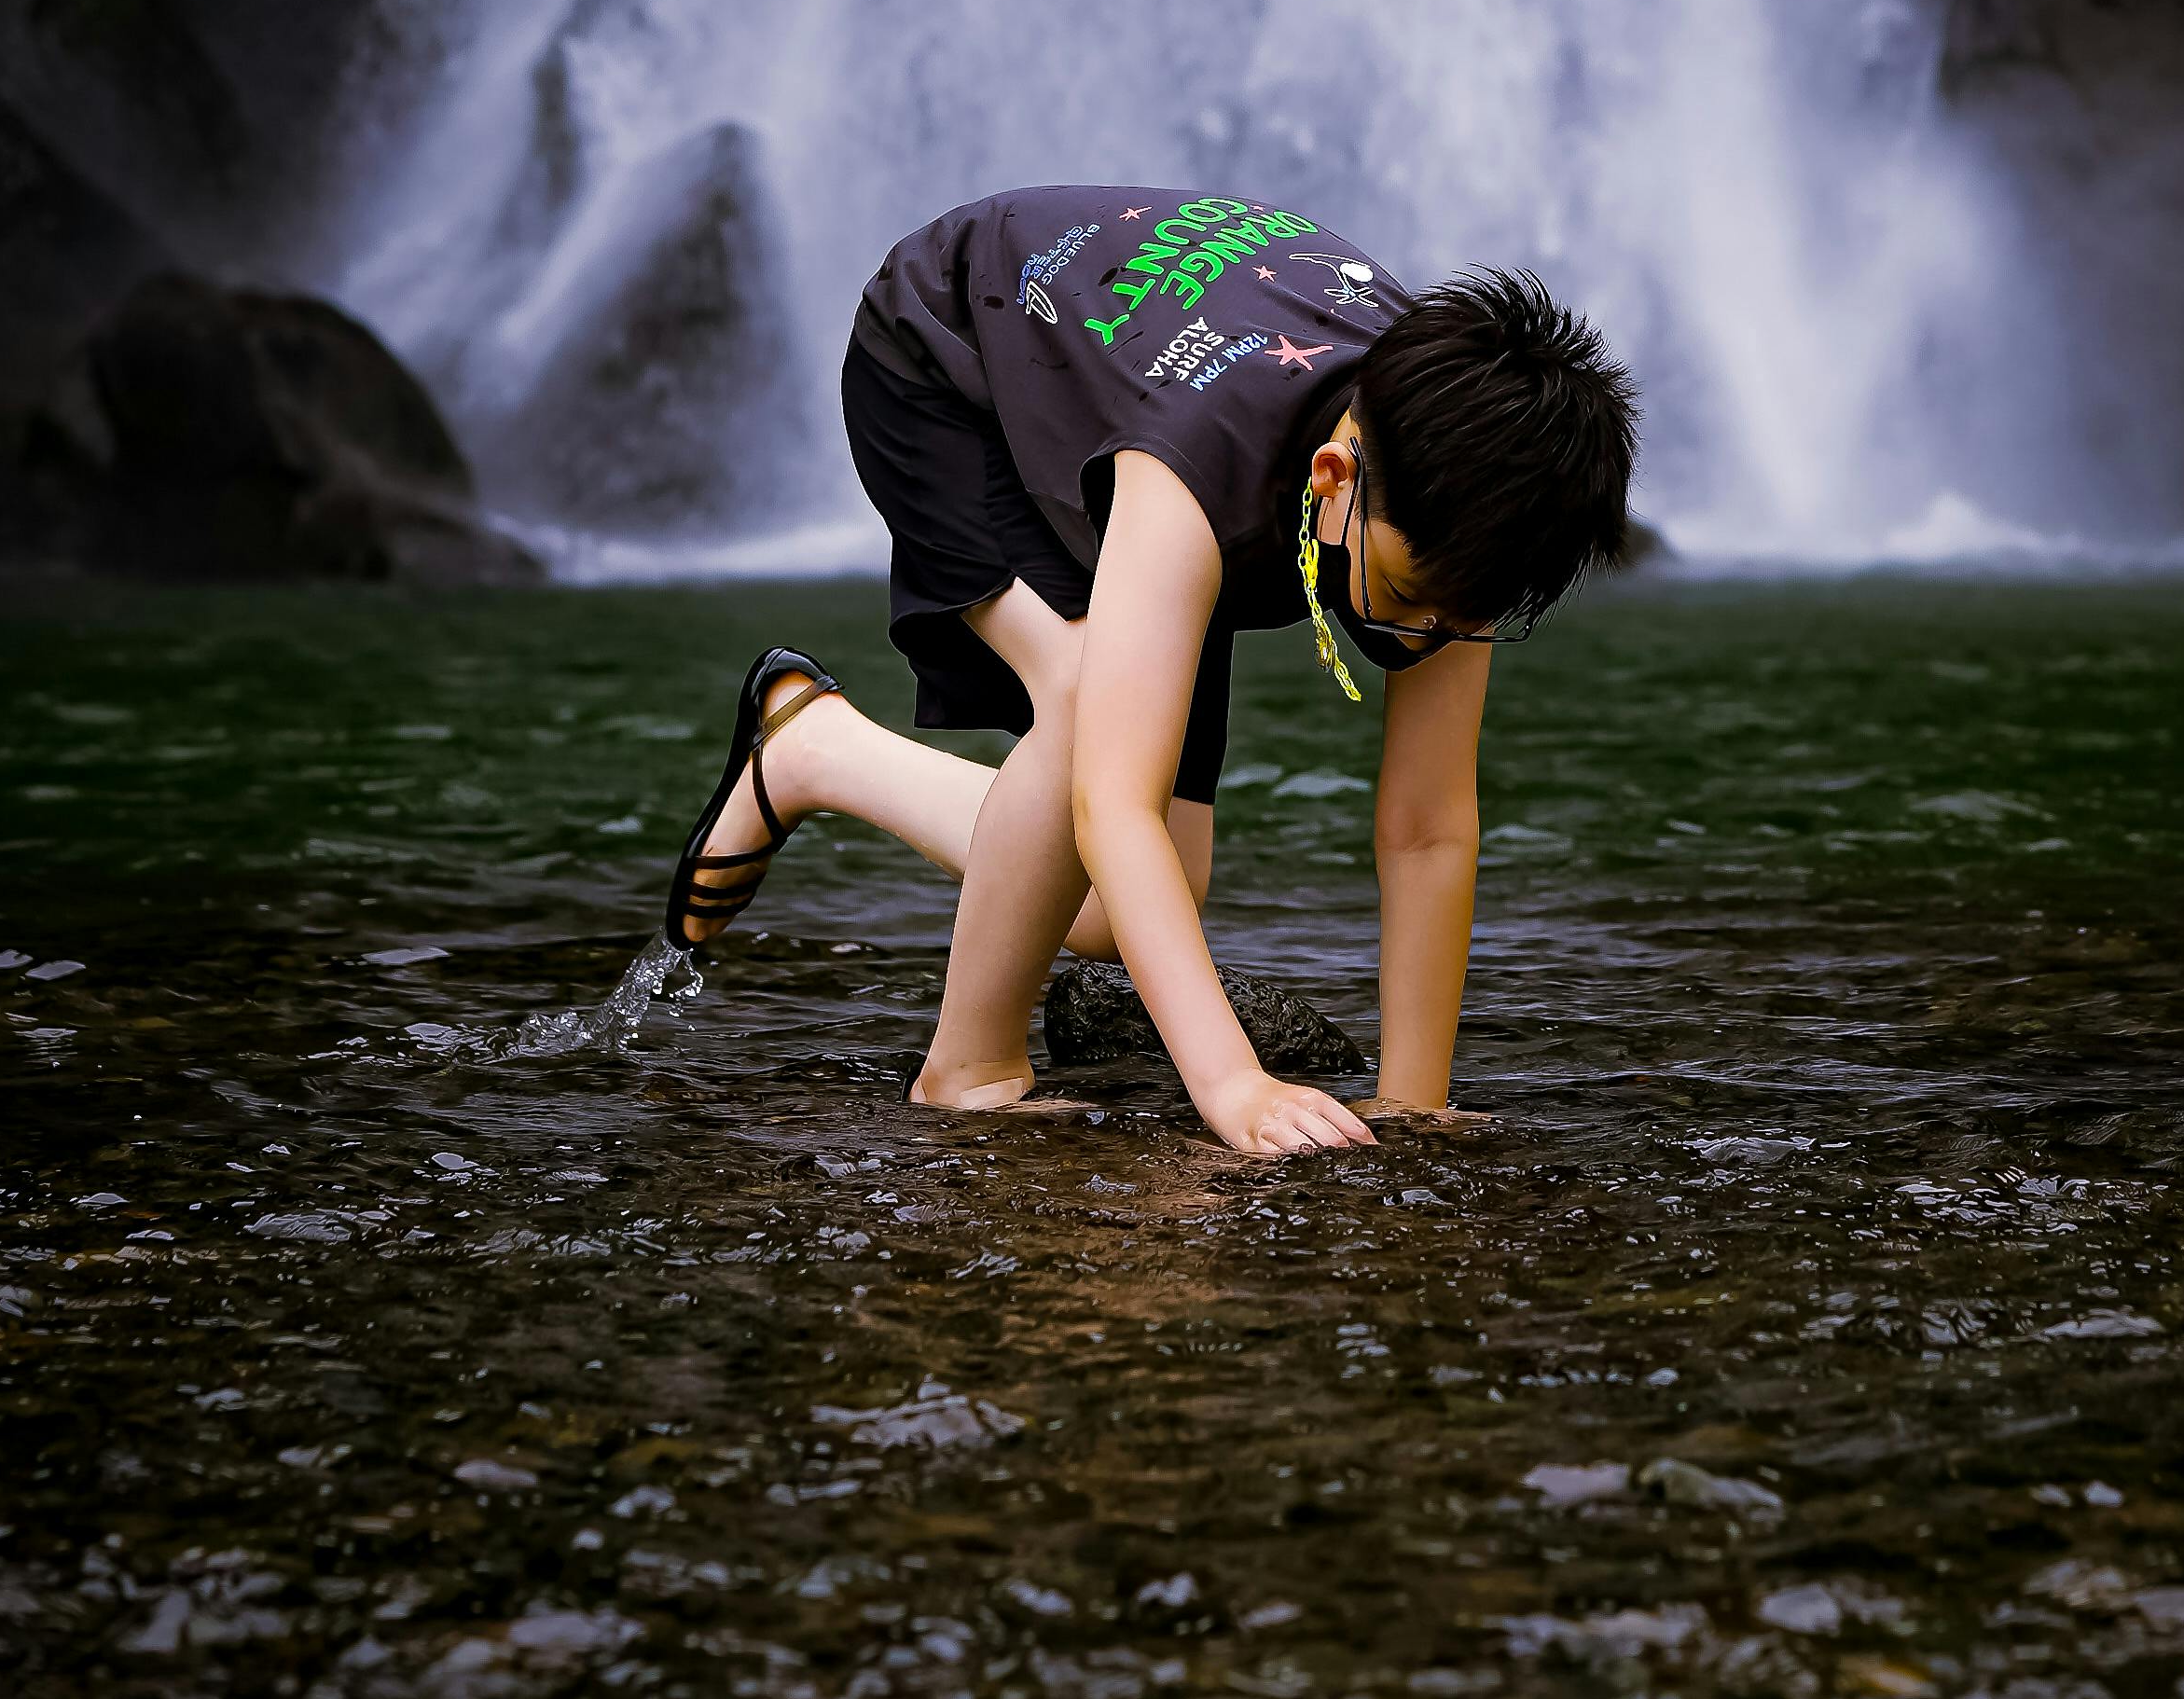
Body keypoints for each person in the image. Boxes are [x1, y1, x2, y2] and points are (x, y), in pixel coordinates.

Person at [656, 190, 1638, 1158]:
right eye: (1405, 596)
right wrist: (1232, 1084)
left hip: (1129, 396)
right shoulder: (1201, 472)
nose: (1423, 635)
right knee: (1087, 715)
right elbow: (1110, 804)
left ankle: (817, 750)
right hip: (954, 365)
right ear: (1335, 485)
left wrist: (1411, 1106)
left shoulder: (1464, 493)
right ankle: (968, 1071)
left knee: (1114, 907)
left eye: (1461, 623)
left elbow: (1426, 828)